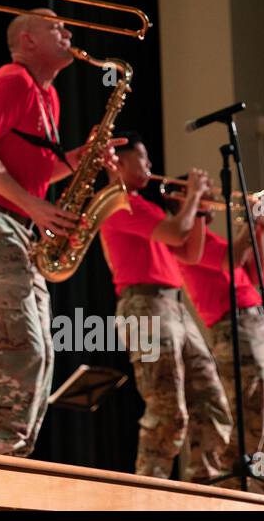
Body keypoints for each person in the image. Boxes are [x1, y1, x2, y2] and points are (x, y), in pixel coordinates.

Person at [0, 11, 119, 456]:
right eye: (56, 27)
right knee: (20, 351)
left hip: (15, 226)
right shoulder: (13, 79)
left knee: (39, 355)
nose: (69, 33)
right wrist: (34, 205)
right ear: (28, 39)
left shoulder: (50, 96)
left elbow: (37, 167)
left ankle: (12, 458)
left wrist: (83, 158)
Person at [99, 137, 232, 481]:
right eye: (141, 159)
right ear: (119, 165)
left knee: (212, 401)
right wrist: (191, 200)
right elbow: (175, 234)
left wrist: (200, 209)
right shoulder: (119, 203)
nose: (148, 166)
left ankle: (205, 485)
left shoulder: (149, 206)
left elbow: (190, 254)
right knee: (168, 410)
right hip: (144, 305)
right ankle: (149, 488)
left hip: (174, 306)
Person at [179, 211, 264, 492]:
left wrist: (257, 234)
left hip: (261, 319)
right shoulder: (190, 241)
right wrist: (249, 226)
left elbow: (257, 274)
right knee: (249, 412)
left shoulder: (213, 238)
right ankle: (233, 491)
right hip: (233, 324)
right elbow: (231, 259)